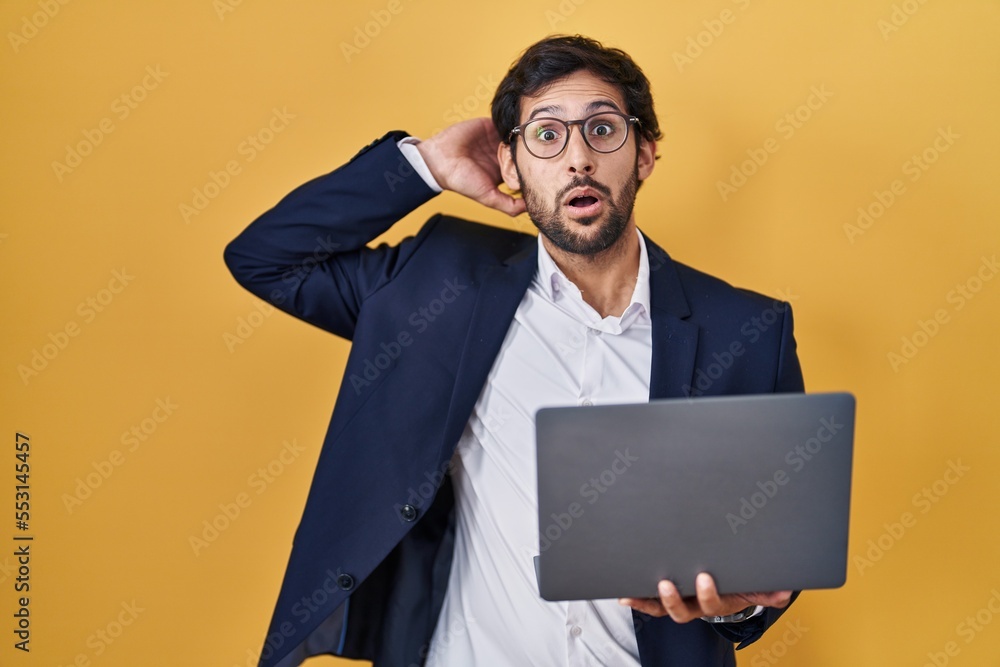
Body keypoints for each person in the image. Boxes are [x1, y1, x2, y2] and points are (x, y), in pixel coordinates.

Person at [225, 34, 804, 667]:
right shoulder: (436, 282)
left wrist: (741, 607)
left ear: (644, 155)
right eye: (547, 136)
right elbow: (266, 259)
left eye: (603, 130)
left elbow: (772, 544)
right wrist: (425, 165)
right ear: (512, 163)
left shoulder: (746, 331)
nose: (577, 158)